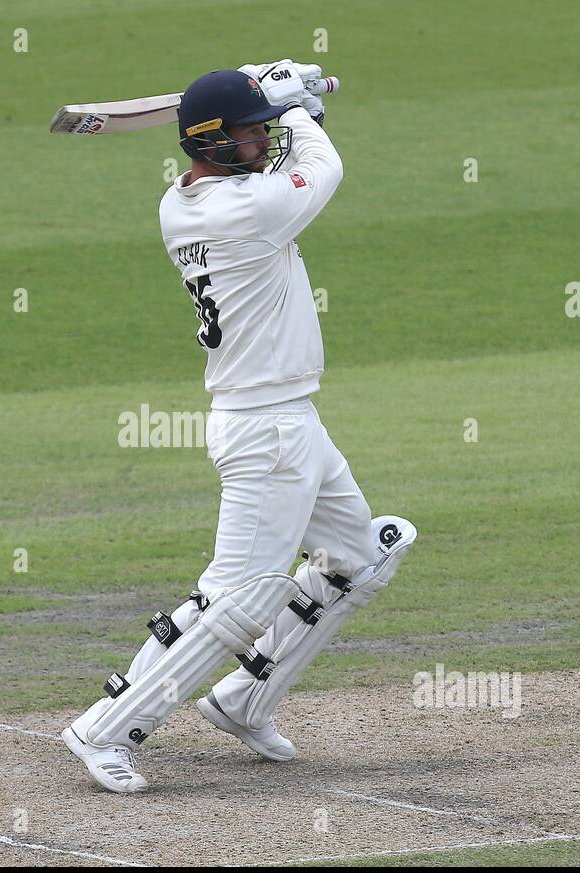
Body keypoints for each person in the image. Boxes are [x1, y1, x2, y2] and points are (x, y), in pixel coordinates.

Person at [62, 60, 417, 793]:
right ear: (214, 142)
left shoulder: (183, 202)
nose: (262, 141)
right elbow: (323, 162)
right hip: (266, 431)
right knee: (243, 594)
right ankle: (107, 730)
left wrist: (272, 98)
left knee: (359, 556)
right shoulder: (248, 211)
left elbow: (285, 156)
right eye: (250, 132)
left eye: (261, 129)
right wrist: (292, 102)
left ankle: (244, 699)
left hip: (288, 420)